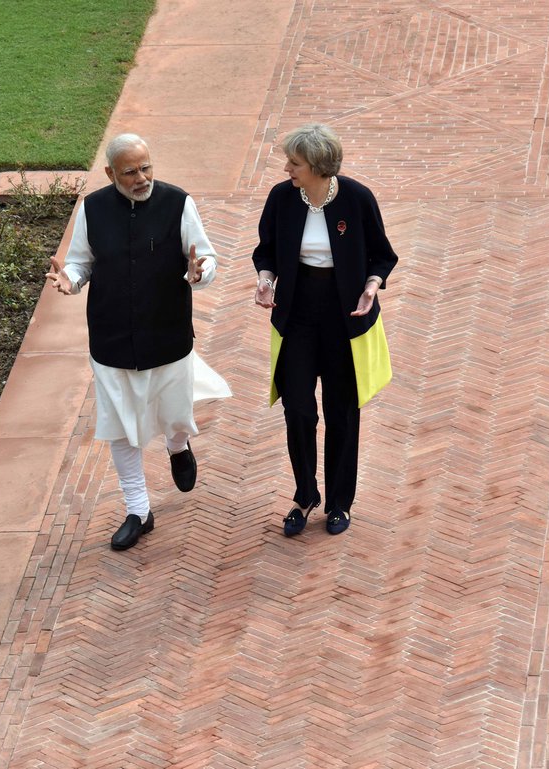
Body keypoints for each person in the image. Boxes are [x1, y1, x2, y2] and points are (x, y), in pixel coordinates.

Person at [46, 133, 230, 551]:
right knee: (120, 429)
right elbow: (80, 261)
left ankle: (178, 446)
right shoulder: (93, 208)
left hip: (168, 335)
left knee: (176, 415)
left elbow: (207, 257)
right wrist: (70, 280)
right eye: (130, 172)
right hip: (111, 340)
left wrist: (201, 273)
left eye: (146, 167)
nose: (141, 177)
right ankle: (138, 510)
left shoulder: (178, 203)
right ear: (111, 173)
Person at [252, 123, 398, 537]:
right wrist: (265, 280)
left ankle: (338, 503)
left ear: (317, 166)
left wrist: (371, 287)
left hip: (345, 318)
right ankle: (304, 495)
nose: (287, 169)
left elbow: (382, 256)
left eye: (294, 163)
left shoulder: (356, 198)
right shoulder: (283, 198)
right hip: (297, 314)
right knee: (297, 408)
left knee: (341, 413)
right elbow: (266, 251)